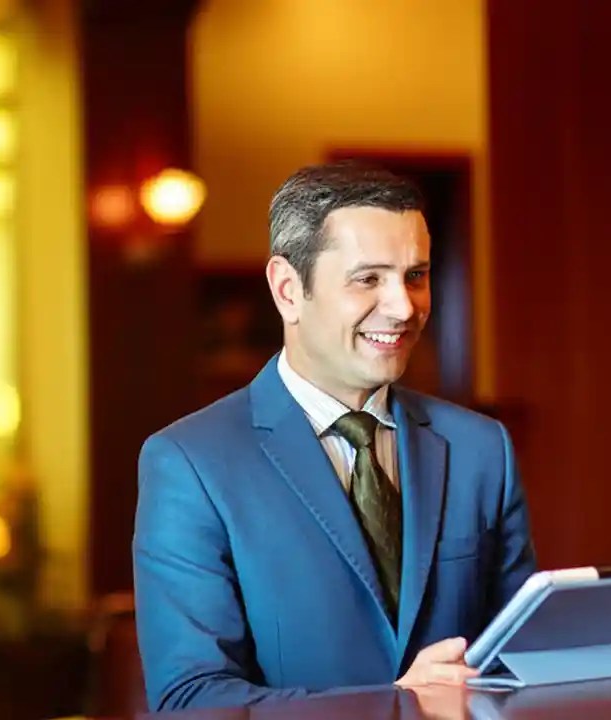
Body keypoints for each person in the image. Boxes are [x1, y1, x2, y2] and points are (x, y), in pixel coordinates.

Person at [133, 162, 537, 711]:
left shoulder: (482, 448)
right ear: (287, 290)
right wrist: (394, 702)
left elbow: (519, 652)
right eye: (368, 279)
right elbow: (193, 701)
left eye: (415, 276)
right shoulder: (190, 462)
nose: (403, 307)